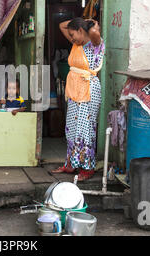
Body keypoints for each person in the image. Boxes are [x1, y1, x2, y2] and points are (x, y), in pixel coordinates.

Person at [51, 17, 105, 181]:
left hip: (88, 89)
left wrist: (91, 25)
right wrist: (81, 21)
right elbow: (61, 25)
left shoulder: (94, 44)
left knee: (85, 129)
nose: (71, 38)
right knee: (73, 128)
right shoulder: (77, 43)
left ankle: (87, 169)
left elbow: (95, 32)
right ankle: (72, 164)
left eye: (73, 34)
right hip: (74, 89)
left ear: (82, 31)